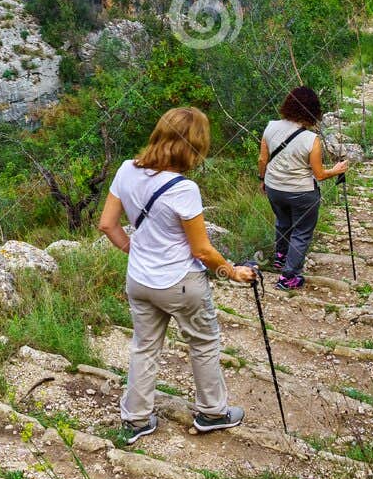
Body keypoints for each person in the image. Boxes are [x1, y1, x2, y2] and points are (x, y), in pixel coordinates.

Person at [98, 107, 254, 443]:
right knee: (203, 343)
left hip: (139, 280)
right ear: (194, 146)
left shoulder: (126, 170)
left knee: (144, 347)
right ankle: (213, 413)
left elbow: (107, 224)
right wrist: (232, 272)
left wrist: (133, 250)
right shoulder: (184, 188)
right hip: (180, 282)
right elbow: (202, 251)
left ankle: (136, 420)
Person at [257, 87, 348, 291]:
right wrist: (337, 169)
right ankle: (289, 277)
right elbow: (319, 175)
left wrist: (262, 179)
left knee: (283, 222)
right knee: (301, 232)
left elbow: (262, 159)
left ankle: (281, 258)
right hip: (302, 193)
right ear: (312, 111)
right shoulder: (311, 140)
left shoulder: (270, 127)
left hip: (274, 187)